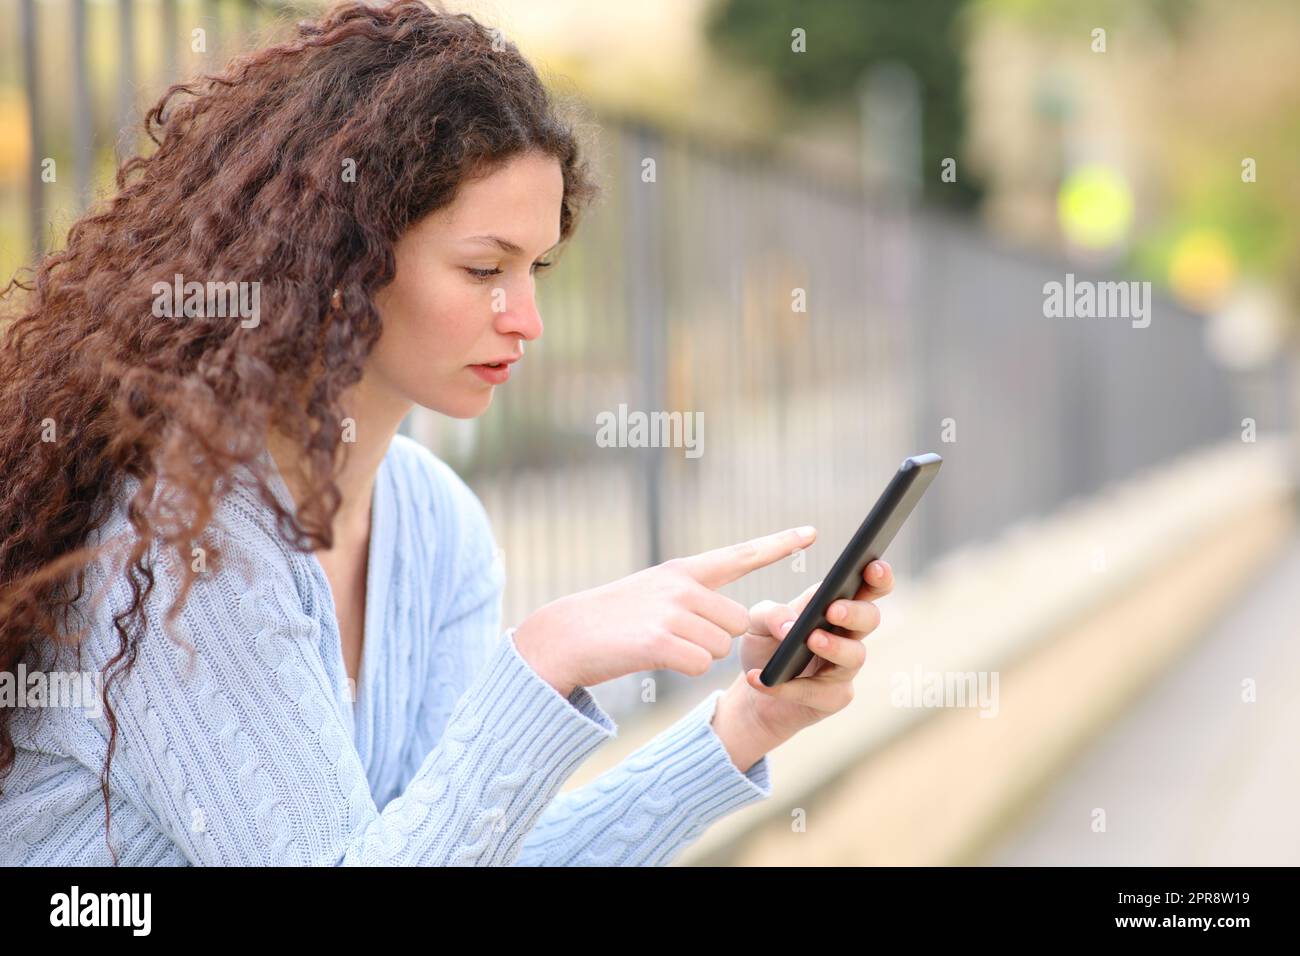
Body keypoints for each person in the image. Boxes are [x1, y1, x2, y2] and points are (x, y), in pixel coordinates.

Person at [0, 0, 892, 866]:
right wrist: (545, 659)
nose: (527, 318)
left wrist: (743, 728)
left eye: (536, 267)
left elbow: (456, 853)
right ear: (340, 259)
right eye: (483, 268)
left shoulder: (437, 526)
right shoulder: (181, 542)